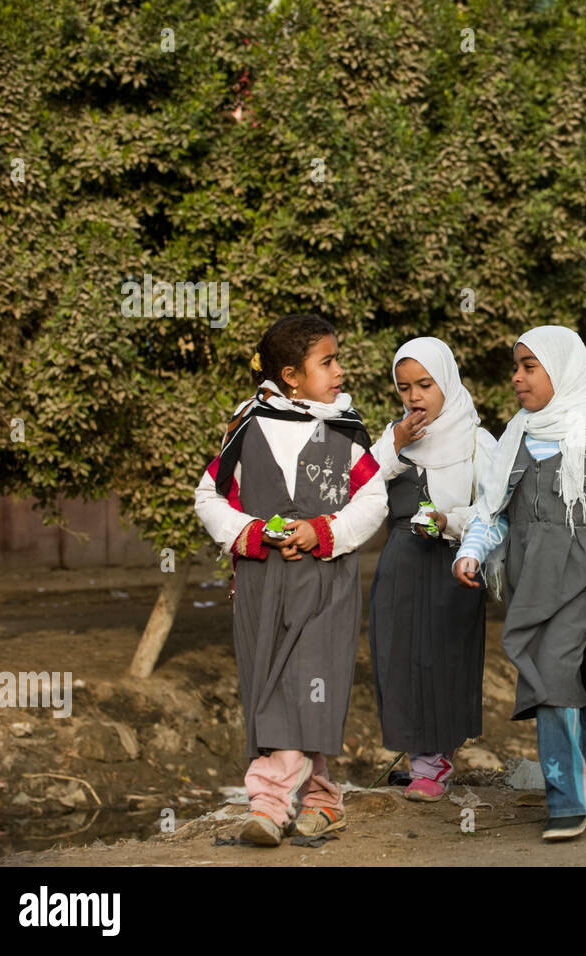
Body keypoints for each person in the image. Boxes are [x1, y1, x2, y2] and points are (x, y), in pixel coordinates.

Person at [194, 313, 387, 845]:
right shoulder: (247, 427)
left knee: (308, 687)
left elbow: (374, 502)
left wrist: (323, 531)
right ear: (291, 375)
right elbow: (207, 497)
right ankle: (323, 800)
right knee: (275, 688)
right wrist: (251, 533)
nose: (340, 371)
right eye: (328, 362)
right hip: (262, 587)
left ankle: (268, 801)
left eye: (338, 359)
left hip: (327, 588)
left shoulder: (346, 433)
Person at [452, 326, 586, 842]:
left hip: (583, 585)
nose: (517, 378)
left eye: (529, 367)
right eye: (515, 367)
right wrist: (471, 551)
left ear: (561, 370)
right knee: (557, 685)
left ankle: (568, 802)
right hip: (528, 589)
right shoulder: (516, 439)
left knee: (553, 677)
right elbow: (495, 512)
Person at [368, 337, 497, 801]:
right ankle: (418, 760)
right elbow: (358, 485)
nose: (414, 396)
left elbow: (493, 508)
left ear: (447, 381)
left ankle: (436, 762)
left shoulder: (478, 441)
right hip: (401, 562)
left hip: (453, 564)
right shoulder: (393, 438)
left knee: (442, 659)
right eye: (405, 387)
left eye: (425, 384)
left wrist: (448, 521)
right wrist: (395, 443)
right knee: (399, 658)